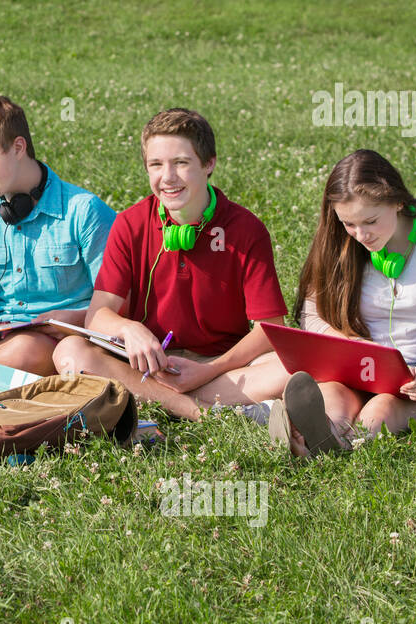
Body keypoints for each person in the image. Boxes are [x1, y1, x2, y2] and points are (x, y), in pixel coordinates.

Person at [52, 108, 289, 419]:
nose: (167, 177)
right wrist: (130, 329)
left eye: (181, 163)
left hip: (222, 366)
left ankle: (160, 402)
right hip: (148, 366)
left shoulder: (246, 229)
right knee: (69, 351)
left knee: (292, 365)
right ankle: (210, 414)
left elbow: (271, 330)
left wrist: (209, 370)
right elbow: (97, 316)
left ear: (209, 164)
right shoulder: (129, 224)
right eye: (156, 165)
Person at [269, 149, 416, 457]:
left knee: (380, 411)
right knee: (332, 399)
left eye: (370, 221)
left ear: (398, 201)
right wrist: (348, 345)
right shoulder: (340, 237)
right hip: (355, 367)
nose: (360, 235)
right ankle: (318, 432)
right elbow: (312, 313)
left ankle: (328, 444)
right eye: (349, 224)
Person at [0, 96, 116, 382]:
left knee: (27, 352)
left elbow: (116, 302)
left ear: (18, 147)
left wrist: (75, 319)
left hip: (69, 337)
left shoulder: (84, 211)